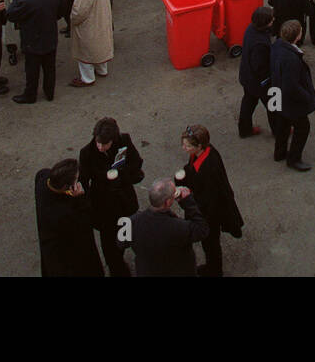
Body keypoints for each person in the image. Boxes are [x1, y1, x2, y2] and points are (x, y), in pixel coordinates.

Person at [78, 116, 145, 277]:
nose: (100, 147)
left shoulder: (123, 141)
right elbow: (83, 181)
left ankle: (120, 256)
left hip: (124, 202)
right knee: (109, 245)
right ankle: (117, 269)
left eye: (105, 144)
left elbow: (136, 162)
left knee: (125, 236)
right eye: (98, 142)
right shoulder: (87, 152)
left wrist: (121, 175)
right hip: (103, 206)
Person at [180, 124, 244, 277]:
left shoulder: (208, 169)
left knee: (211, 244)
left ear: (199, 146)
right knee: (210, 244)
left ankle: (214, 270)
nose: (184, 148)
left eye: (187, 145)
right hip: (208, 207)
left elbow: (209, 200)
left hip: (210, 214)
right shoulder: (206, 152)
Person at [34, 158, 103, 277]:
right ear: (66, 187)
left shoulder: (42, 179)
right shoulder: (64, 213)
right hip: (67, 254)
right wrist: (80, 197)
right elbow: (84, 222)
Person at [128, 178, 209, 277]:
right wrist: (188, 202)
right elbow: (202, 230)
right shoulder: (180, 227)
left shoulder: (132, 222)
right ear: (167, 202)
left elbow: (120, 243)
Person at [7, 0, 63, 103]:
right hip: (50, 36)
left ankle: (30, 95)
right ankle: (49, 93)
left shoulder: (27, 0)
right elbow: (61, 11)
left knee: (32, 70)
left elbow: (11, 15)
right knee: (50, 68)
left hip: (32, 40)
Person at [268, 19, 315, 170]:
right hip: (290, 100)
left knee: (282, 124)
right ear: (297, 37)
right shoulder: (291, 58)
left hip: (277, 93)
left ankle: (280, 152)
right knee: (303, 127)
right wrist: (306, 96)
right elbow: (291, 85)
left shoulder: (277, 45)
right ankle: (294, 159)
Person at [69, 0, 114, 87]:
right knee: (100, 46)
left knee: (86, 51)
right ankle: (102, 70)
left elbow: (78, 13)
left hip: (89, 23)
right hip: (103, 17)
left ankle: (87, 78)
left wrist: (72, 20)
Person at [238, 6, 274, 138]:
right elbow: (261, 67)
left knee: (248, 103)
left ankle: (245, 129)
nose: (273, 20)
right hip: (260, 82)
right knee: (275, 106)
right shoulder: (260, 44)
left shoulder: (251, 29)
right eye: (271, 20)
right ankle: (280, 130)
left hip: (247, 77)